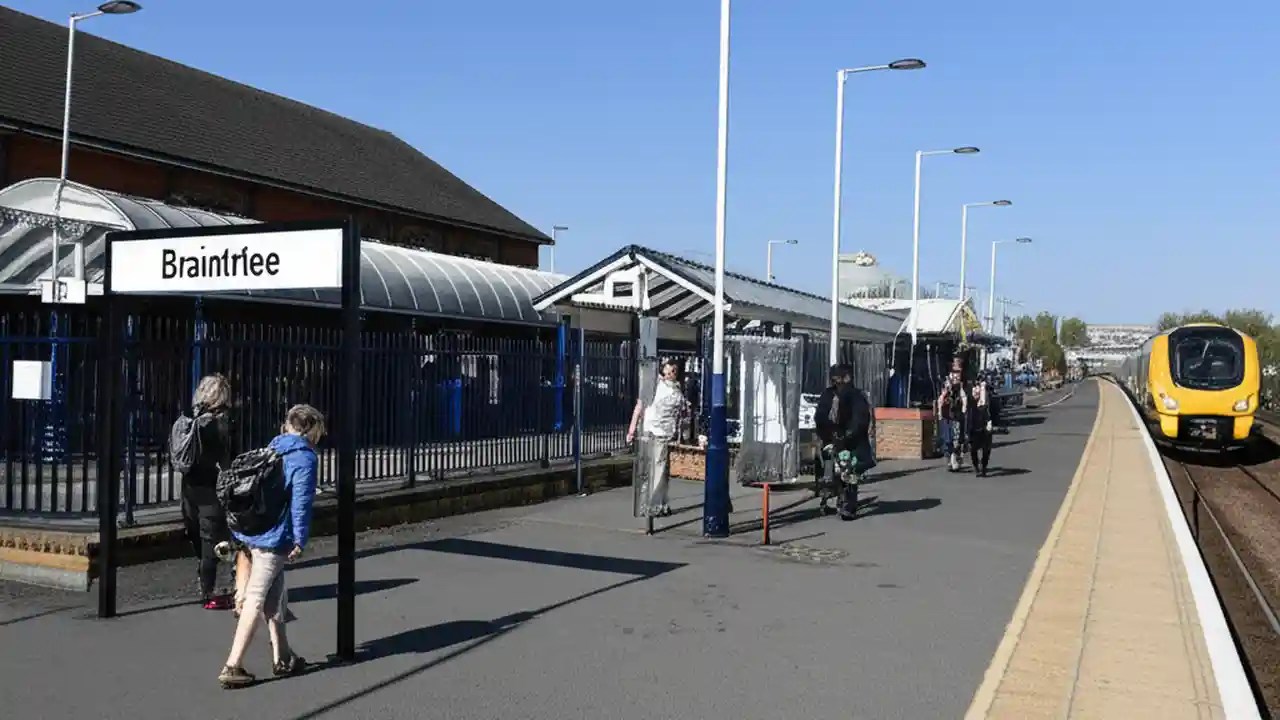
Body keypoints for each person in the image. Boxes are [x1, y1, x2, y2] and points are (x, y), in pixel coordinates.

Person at [218, 404, 325, 689]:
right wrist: (300, 540)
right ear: (312, 429)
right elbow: (301, 504)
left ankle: (283, 656)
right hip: (276, 537)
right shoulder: (304, 458)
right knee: (256, 598)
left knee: (275, 596)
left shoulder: (273, 448)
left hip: (255, 531)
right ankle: (233, 664)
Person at [180, 374, 235, 610]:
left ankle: (206, 583)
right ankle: (209, 590)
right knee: (213, 541)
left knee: (198, 537)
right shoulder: (219, 424)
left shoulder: (188, 419)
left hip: (189, 488)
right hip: (212, 490)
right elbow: (226, 460)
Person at [814, 363, 874, 519]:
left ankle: (848, 504)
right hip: (832, 439)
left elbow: (860, 420)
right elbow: (820, 417)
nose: (839, 381)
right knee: (830, 473)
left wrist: (848, 435)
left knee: (849, 473)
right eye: (836, 378)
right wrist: (828, 435)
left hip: (851, 441)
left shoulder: (856, 396)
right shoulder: (829, 395)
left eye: (841, 377)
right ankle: (832, 498)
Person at [626, 359, 685, 517]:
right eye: (668, 370)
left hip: (659, 433)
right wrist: (632, 430)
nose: (671, 374)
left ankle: (656, 503)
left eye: (673, 371)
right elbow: (640, 406)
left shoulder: (672, 389)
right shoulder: (659, 387)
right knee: (656, 470)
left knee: (658, 470)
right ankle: (653, 504)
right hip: (654, 432)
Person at [936, 368, 968, 472]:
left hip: (956, 418)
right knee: (947, 439)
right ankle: (950, 459)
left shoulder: (960, 388)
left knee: (956, 439)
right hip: (947, 417)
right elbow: (940, 400)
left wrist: (964, 410)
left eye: (957, 377)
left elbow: (964, 398)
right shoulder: (946, 388)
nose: (955, 379)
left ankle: (954, 459)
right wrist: (940, 413)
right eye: (954, 377)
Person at [967, 381, 994, 476]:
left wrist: (989, 425)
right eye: (974, 391)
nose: (976, 393)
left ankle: (984, 467)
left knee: (986, 449)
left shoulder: (984, 403)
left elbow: (988, 414)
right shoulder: (970, 404)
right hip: (973, 430)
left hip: (984, 429)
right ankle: (976, 466)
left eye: (978, 391)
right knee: (973, 450)